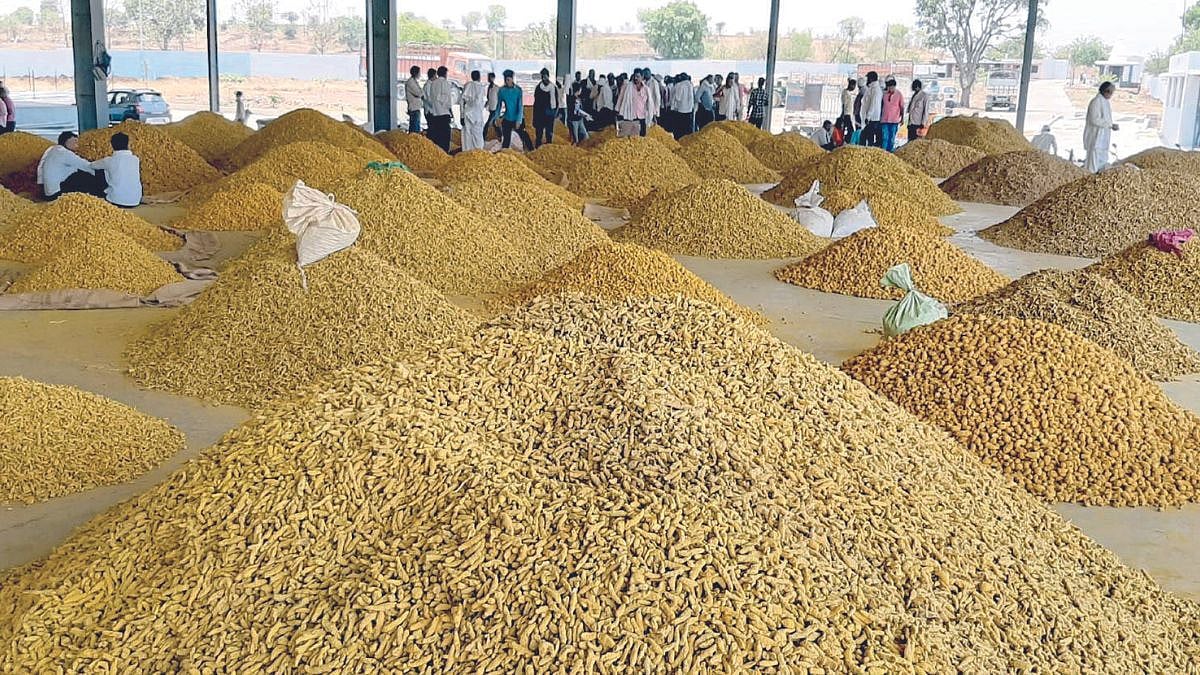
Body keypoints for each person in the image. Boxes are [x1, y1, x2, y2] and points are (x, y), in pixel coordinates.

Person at [36, 131, 104, 200]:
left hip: (49, 193)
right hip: (57, 194)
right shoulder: (63, 153)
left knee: (80, 174)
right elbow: (86, 165)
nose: (77, 143)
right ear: (66, 141)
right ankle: (102, 196)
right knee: (85, 177)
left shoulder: (54, 150)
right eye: (74, 140)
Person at [88, 132, 141, 207]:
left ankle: (96, 196)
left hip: (116, 200)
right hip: (135, 201)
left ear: (112, 145)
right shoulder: (135, 159)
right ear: (128, 144)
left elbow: (92, 165)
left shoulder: (109, 160)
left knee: (99, 170)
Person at [1084, 82, 1118, 173]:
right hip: (1096, 138)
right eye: (1111, 92)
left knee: (1101, 161)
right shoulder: (1096, 102)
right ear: (1106, 91)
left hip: (1102, 138)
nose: (1111, 95)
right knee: (1092, 164)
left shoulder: (1105, 102)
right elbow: (1094, 120)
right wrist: (1110, 125)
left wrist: (1111, 125)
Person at [424, 66, 455, 152]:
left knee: (437, 136)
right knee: (445, 137)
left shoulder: (433, 83)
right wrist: (450, 110)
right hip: (444, 113)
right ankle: (444, 154)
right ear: (445, 74)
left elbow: (431, 97)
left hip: (435, 113)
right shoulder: (445, 83)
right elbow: (447, 99)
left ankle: (438, 153)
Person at [616, 71, 655, 137]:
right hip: (631, 115)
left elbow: (650, 103)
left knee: (642, 135)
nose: (636, 78)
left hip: (642, 116)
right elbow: (621, 98)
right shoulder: (627, 87)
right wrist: (617, 110)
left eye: (638, 76)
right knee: (631, 136)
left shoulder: (646, 89)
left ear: (642, 77)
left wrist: (653, 115)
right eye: (635, 76)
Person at [495, 69, 526, 149]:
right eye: (505, 80)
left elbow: (520, 106)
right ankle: (505, 154)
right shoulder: (502, 91)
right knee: (506, 139)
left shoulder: (518, 90)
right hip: (507, 117)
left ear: (512, 79)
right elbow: (498, 105)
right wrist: (497, 117)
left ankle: (531, 151)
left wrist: (519, 120)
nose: (507, 82)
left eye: (508, 80)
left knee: (523, 135)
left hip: (517, 118)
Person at [460, 70, 488, 151]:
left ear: (472, 77)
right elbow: (481, 103)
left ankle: (467, 153)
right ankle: (478, 153)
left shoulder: (467, 85)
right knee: (478, 137)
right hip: (477, 115)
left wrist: (461, 116)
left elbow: (462, 101)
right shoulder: (481, 87)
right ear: (479, 77)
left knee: (467, 136)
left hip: (467, 114)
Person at [532, 68, 560, 147]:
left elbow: (556, 101)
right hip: (540, 114)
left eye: (545, 76)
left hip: (550, 114)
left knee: (549, 133)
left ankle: (548, 147)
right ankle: (537, 148)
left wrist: (555, 112)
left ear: (548, 76)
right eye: (542, 76)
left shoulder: (553, 88)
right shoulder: (538, 88)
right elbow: (536, 102)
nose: (544, 78)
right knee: (539, 133)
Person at [879, 78, 904, 152]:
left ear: (895, 86)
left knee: (892, 138)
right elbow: (881, 106)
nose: (890, 89)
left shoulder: (899, 94)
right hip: (884, 119)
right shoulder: (884, 95)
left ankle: (890, 153)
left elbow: (902, 107)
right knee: (885, 137)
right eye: (889, 87)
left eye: (892, 87)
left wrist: (902, 119)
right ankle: (884, 153)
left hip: (894, 120)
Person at [860, 71, 883, 147]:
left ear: (871, 78)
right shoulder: (871, 88)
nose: (867, 80)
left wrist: (868, 117)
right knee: (865, 137)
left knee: (869, 138)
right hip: (869, 118)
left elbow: (873, 104)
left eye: (868, 78)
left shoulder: (876, 90)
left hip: (872, 119)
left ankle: (870, 154)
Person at [671, 73, 696, 138]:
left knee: (680, 130)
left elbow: (678, 97)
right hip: (689, 110)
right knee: (687, 129)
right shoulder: (690, 84)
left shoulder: (679, 85)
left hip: (681, 110)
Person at [404, 66, 424, 133]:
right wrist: (422, 93)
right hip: (414, 108)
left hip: (416, 107)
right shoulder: (411, 82)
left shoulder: (414, 81)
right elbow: (419, 93)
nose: (420, 74)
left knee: (416, 126)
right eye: (419, 72)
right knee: (414, 128)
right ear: (416, 73)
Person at [485, 72, 500, 137]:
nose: (489, 78)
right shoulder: (489, 87)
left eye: (490, 77)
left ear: (493, 78)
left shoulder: (496, 88)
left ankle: (483, 136)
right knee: (494, 124)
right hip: (491, 108)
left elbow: (499, 99)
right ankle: (500, 135)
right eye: (488, 77)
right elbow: (489, 98)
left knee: (488, 124)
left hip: (495, 109)